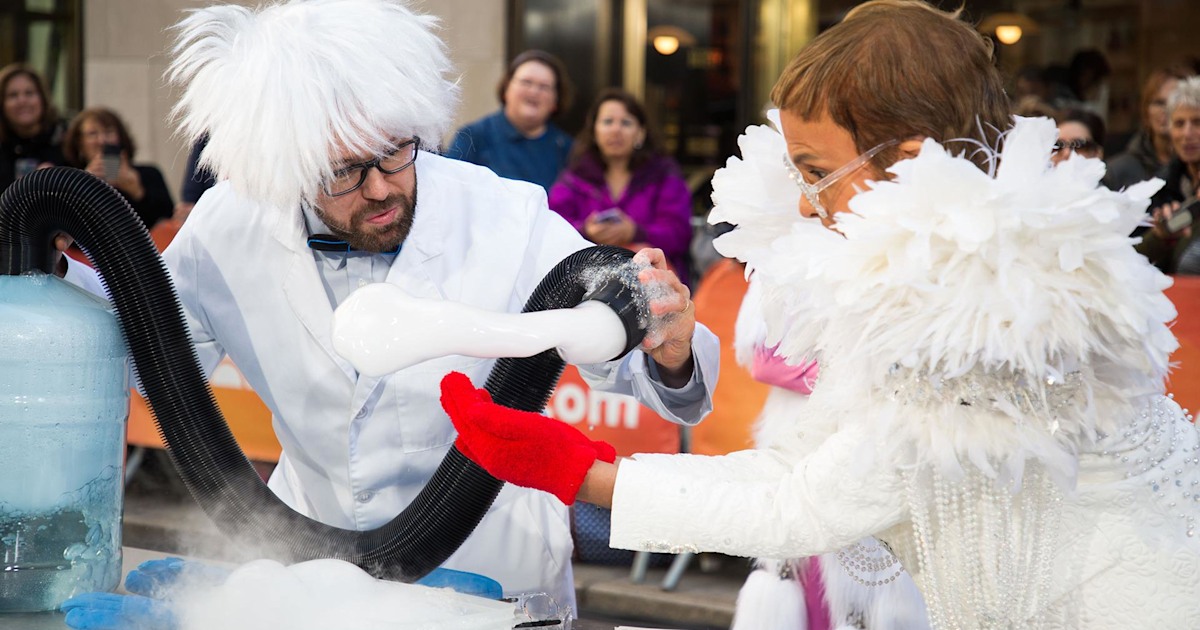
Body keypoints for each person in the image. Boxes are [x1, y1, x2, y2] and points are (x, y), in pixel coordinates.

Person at [439, 1, 1200, 628]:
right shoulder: (947, 269)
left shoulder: (981, 312)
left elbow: (797, 505)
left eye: (815, 171)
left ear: (905, 160)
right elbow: (796, 465)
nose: (804, 202)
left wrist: (576, 469)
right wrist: (588, 464)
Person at [59, 0, 718, 613]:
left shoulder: (504, 215)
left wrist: (672, 349)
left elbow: (645, 378)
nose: (379, 188)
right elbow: (156, 359)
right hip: (304, 564)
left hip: (491, 571)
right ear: (285, 168)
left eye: (394, 152)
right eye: (341, 171)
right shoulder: (228, 224)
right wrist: (52, 278)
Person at [548, 88, 694, 286]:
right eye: (608, 122)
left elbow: (679, 233)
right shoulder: (574, 178)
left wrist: (635, 232)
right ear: (594, 131)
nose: (616, 130)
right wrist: (585, 231)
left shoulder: (663, 175)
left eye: (626, 122)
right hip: (585, 286)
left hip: (654, 287)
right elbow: (552, 228)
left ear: (640, 133)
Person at [445, 50, 574, 191]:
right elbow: (451, 188)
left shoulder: (567, 148)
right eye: (526, 82)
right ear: (506, 89)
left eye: (544, 87)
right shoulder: (472, 137)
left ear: (556, 100)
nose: (534, 91)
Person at [63, 107, 175, 230]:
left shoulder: (149, 174)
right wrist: (84, 184)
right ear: (80, 144)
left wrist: (138, 192)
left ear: (120, 138)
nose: (102, 140)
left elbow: (168, 221)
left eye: (108, 132)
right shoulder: (70, 181)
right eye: (92, 134)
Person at [1134, 76, 1200, 274]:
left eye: (1197, 122)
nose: (1187, 133)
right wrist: (1161, 236)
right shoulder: (1160, 188)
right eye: (1179, 123)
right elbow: (1132, 264)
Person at [1106, 65, 1193, 192]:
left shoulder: (1193, 171)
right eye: (1159, 103)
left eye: (1174, 102)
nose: (1166, 110)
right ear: (1146, 110)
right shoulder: (1117, 171)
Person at [0, 63, 66, 192]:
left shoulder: (66, 141)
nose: (22, 101)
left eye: (29, 93)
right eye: (13, 95)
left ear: (43, 98)